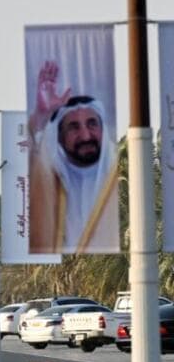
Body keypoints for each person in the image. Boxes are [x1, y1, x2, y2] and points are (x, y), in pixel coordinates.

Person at [28, 60, 118, 253]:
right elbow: (24, 160)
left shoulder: (122, 176)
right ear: (59, 137)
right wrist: (41, 116)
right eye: (74, 127)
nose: (85, 136)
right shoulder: (47, 179)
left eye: (92, 124)